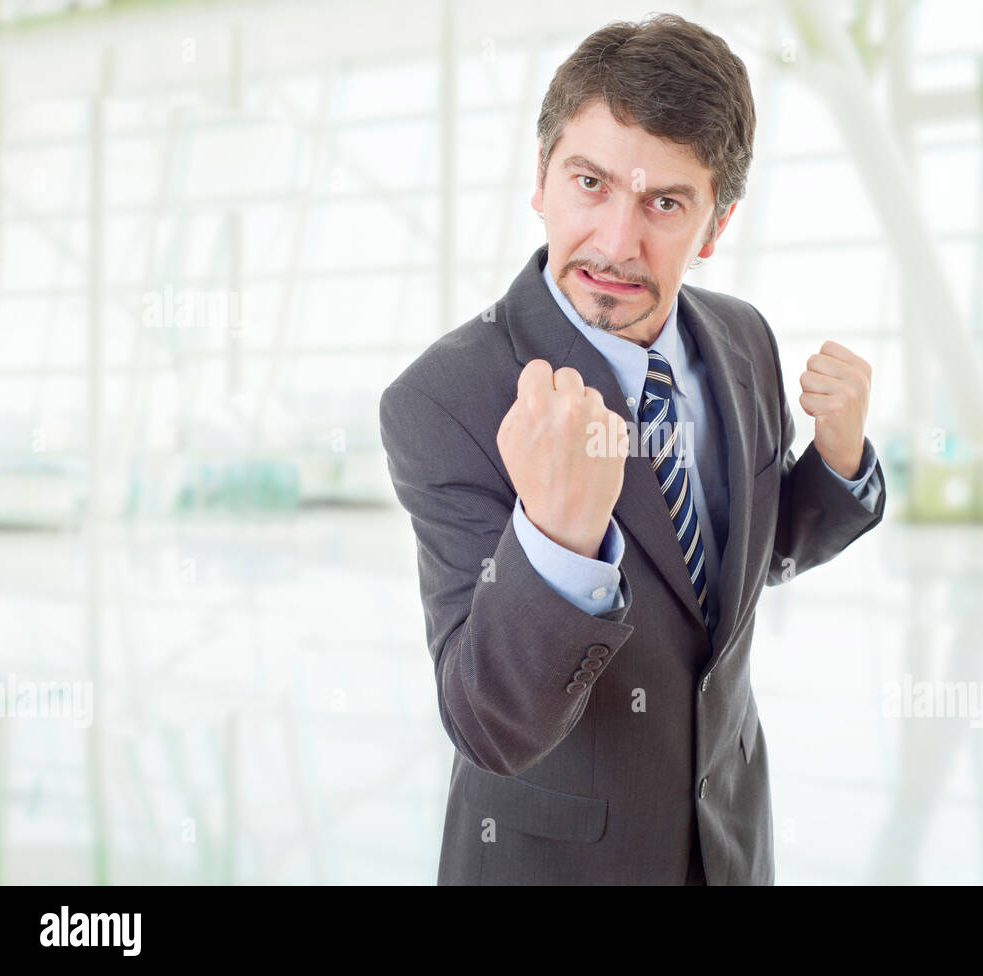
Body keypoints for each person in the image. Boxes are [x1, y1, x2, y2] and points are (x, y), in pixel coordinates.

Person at [379, 12, 885, 885]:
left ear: (715, 226)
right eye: (590, 183)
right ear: (541, 179)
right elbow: (489, 725)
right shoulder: (444, 399)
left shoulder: (744, 339)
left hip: (730, 843)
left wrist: (837, 463)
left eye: (664, 203)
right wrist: (557, 539)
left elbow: (741, 565)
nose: (616, 244)